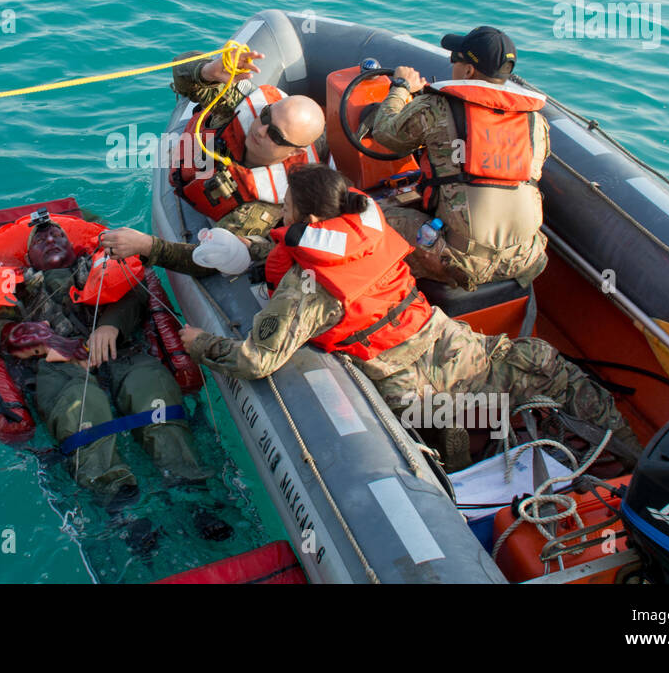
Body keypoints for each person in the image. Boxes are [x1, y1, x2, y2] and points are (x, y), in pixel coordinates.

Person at [102, 164, 641, 470]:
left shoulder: (307, 285)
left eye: (288, 211)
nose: (282, 218)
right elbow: (249, 252)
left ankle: (613, 458)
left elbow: (254, 360)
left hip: (418, 366)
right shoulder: (369, 229)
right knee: (539, 363)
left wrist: (197, 342)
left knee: (512, 376)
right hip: (435, 353)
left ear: (310, 219)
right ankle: (620, 455)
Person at [0, 214, 218, 517]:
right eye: (40, 241)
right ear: (28, 258)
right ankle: (117, 500)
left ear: (73, 246)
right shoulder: (15, 289)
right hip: (60, 368)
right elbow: (6, 332)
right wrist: (51, 343)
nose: (50, 240)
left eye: (57, 236)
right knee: (83, 409)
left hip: (122, 353)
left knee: (150, 389)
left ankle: (188, 484)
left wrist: (111, 326)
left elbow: (133, 293)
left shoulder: (101, 264)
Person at [360, 26, 550, 291]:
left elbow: (385, 132)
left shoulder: (438, 106)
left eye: (455, 60)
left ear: (468, 71)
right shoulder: (535, 121)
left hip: (459, 261)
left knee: (364, 217)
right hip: (524, 259)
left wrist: (401, 88)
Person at [170, 45, 328, 238]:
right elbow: (181, 66)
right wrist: (207, 71)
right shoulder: (244, 107)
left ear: (295, 152)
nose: (260, 130)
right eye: (266, 115)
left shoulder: (268, 205)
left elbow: (216, 256)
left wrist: (151, 247)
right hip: (186, 160)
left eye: (275, 135)